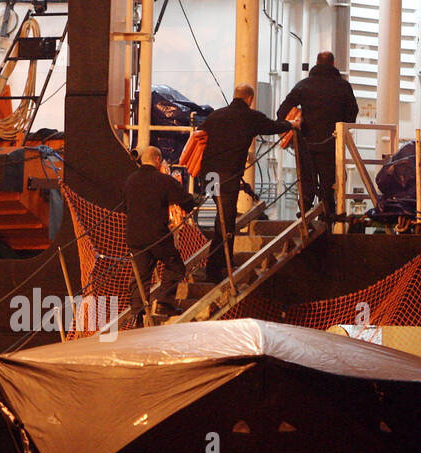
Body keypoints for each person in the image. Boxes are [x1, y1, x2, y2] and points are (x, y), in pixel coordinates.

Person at [197, 83, 298, 282]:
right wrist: (292, 124)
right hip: (227, 177)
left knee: (220, 218)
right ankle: (217, 267)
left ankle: (220, 263)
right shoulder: (250, 117)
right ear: (250, 99)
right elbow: (273, 126)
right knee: (226, 221)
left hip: (208, 176)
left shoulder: (215, 116)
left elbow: (201, 135)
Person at [276, 51, 359, 220]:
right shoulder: (343, 86)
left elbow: (282, 111)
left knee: (306, 181)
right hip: (331, 142)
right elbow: (352, 113)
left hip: (305, 143)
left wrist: (294, 125)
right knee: (328, 182)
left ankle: (305, 215)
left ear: (316, 63)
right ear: (333, 64)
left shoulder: (303, 85)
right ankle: (327, 215)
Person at [124, 145, 196, 323]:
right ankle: (164, 302)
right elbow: (186, 201)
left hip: (134, 236)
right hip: (157, 236)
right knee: (176, 266)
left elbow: (126, 207)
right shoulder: (164, 180)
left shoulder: (130, 181)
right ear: (157, 160)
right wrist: (194, 203)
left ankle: (136, 315)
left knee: (140, 277)